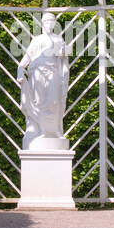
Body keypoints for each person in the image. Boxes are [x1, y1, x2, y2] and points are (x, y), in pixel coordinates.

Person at [17, 11, 69, 149]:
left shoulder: (59, 39)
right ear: (42, 24)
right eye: (47, 21)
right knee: (38, 101)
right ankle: (38, 129)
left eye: (52, 21)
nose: (49, 24)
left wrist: (63, 53)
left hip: (53, 73)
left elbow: (64, 59)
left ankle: (54, 129)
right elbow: (27, 57)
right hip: (38, 73)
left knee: (54, 101)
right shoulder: (37, 40)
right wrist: (20, 68)